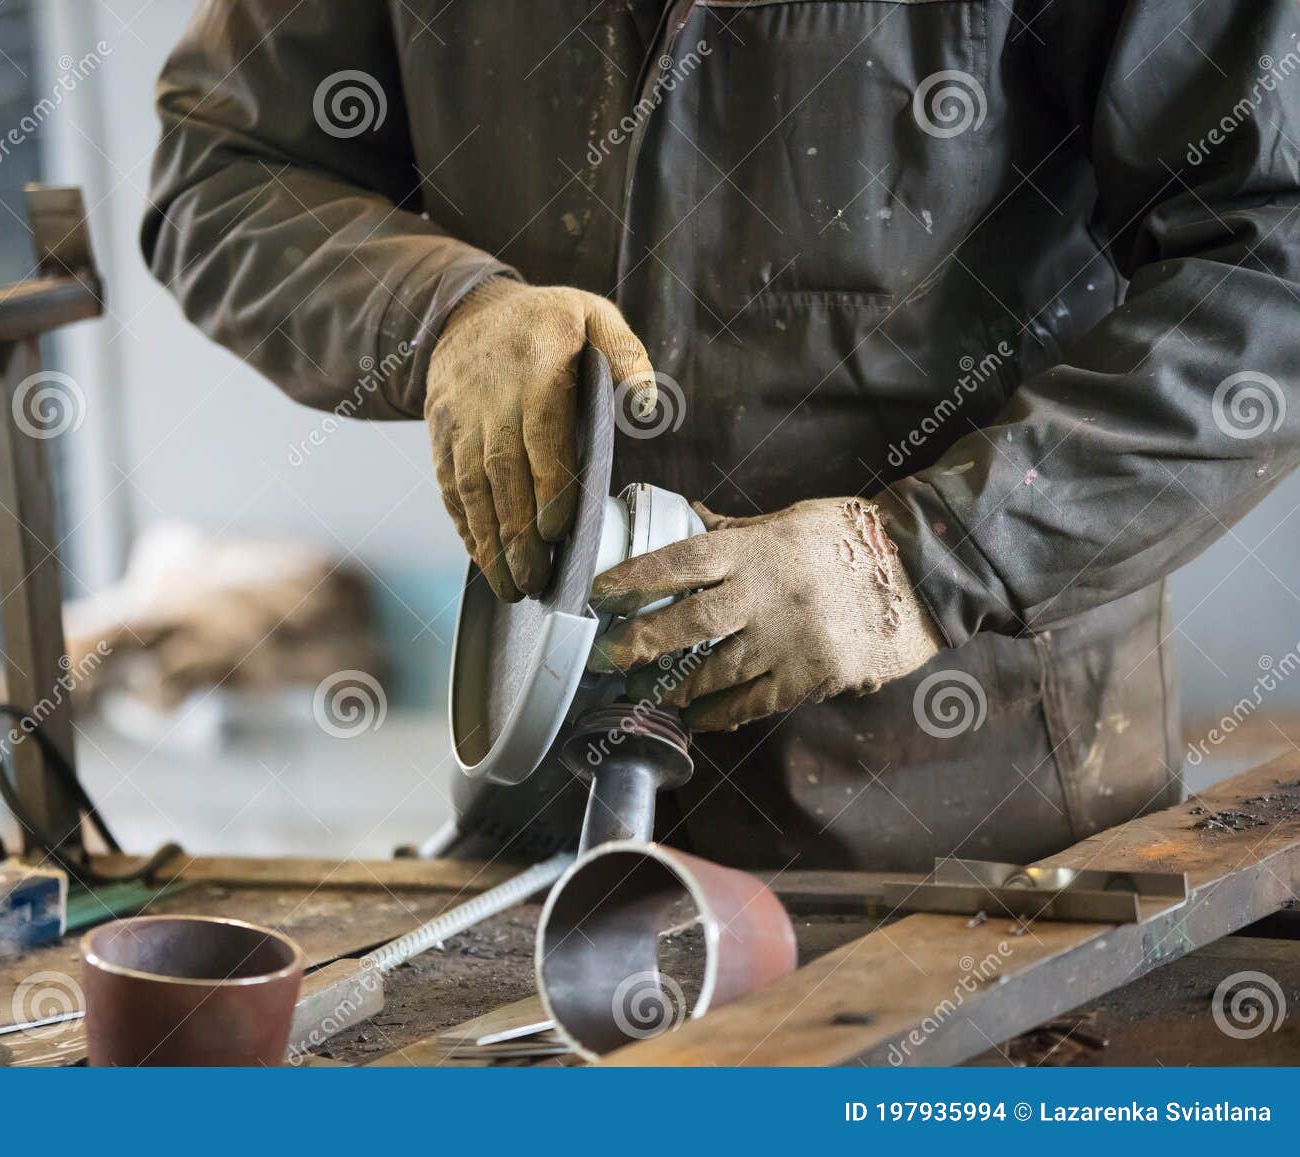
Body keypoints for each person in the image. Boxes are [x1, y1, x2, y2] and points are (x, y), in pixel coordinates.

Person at [142, 1, 1300, 870]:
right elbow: (221, 168)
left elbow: (1274, 253)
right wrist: (440, 314)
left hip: (969, 807)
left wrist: (930, 556)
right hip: (552, 773)